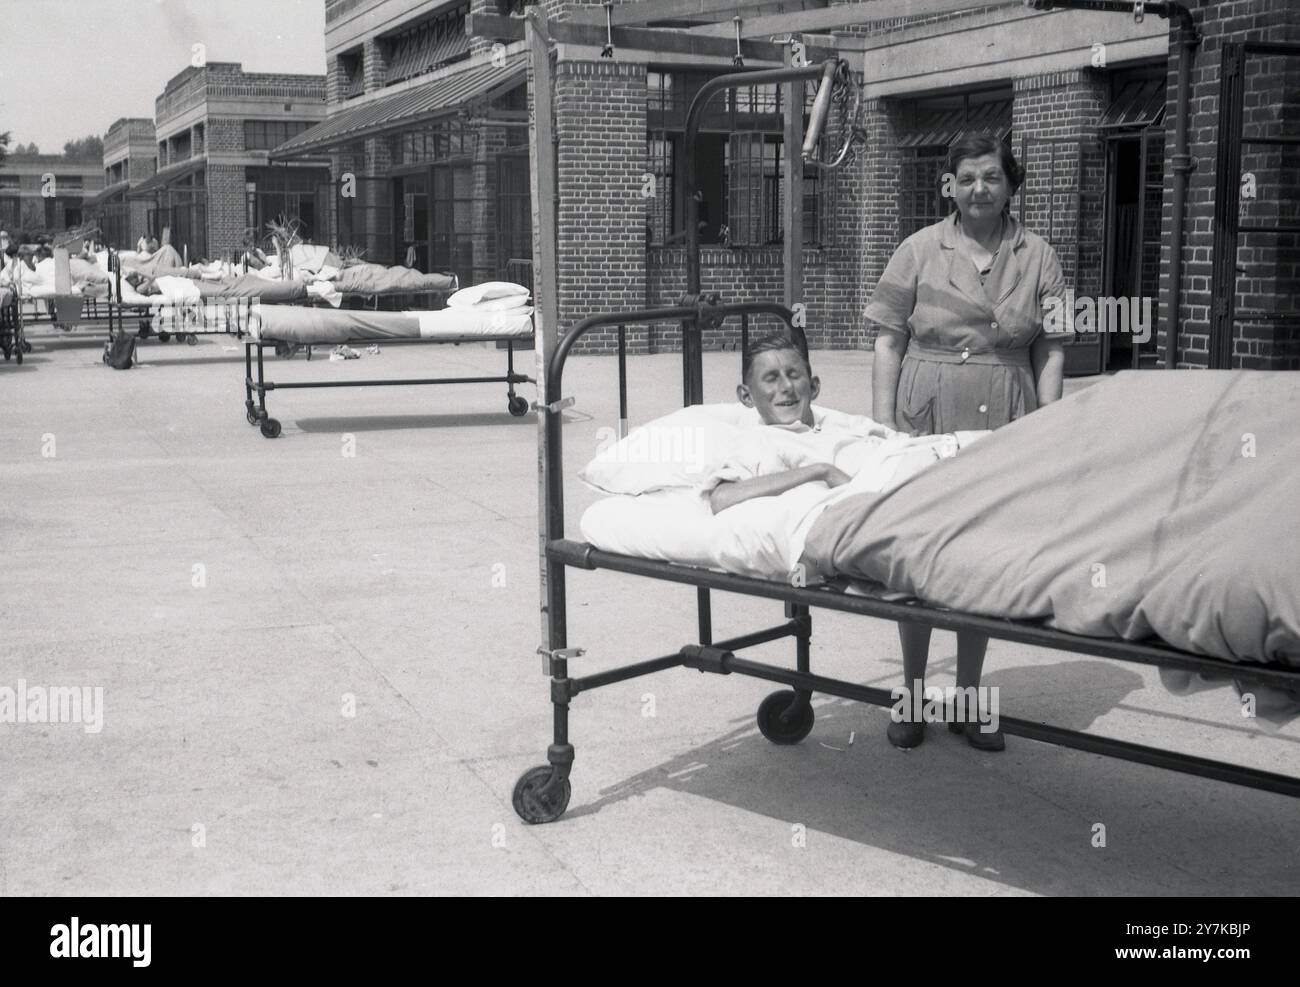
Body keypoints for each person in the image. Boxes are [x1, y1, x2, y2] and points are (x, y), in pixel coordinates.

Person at [865, 134, 1071, 752]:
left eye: (992, 177)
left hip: (1005, 410)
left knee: (981, 557)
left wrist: (1048, 427)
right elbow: (887, 339)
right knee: (914, 558)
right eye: (967, 178)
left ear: (1012, 185)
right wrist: (882, 429)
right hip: (925, 408)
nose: (979, 188)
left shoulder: (1040, 255)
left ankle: (972, 700)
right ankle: (909, 696)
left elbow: (1052, 346)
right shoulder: (919, 249)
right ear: (948, 186)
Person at [707, 333, 854, 515]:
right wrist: (822, 471)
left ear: (813, 387)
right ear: (747, 396)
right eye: (771, 379)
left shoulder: (848, 425)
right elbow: (722, 498)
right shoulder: (758, 441)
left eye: (794, 376)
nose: (787, 387)